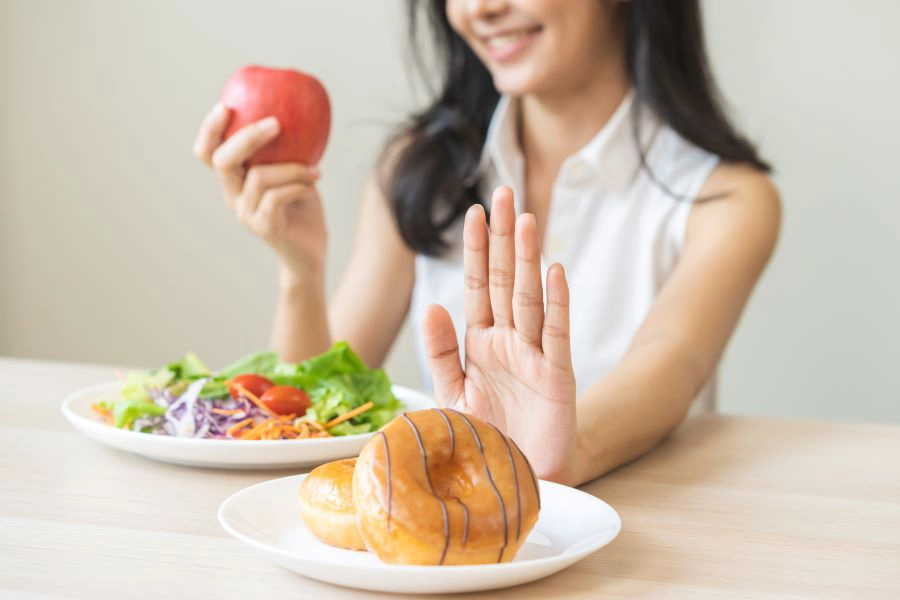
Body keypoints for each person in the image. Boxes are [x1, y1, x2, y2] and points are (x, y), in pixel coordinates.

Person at [192, 0, 780, 486]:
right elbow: (313, 410)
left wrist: (563, 447)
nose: (481, 9)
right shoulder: (417, 171)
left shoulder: (726, 201)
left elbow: (670, 366)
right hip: (457, 538)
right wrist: (300, 270)